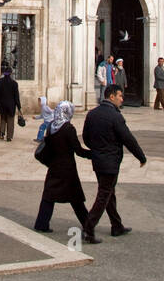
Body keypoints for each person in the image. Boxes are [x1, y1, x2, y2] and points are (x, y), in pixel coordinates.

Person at [81, 84, 147, 243]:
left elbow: (86, 137)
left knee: (109, 192)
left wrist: (97, 149)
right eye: (120, 96)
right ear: (111, 97)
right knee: (104, 195)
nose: (122, 99)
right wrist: (141, 157)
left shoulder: (92, 114)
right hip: (110, 162)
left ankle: (116, 225)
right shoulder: (115, 116)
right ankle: (88, 227)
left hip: (98, 161)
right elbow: (128, 138)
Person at [32, 101, 93, 233]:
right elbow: (78, 150)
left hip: (54, 166)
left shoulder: (51, 126)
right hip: (67, 168)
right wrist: (94, 155)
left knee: (49, 196)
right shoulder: (68, 129)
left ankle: (41, 223)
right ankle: (88, 224)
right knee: (76, 199)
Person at [0, 65, 22, 141]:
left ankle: (1, 134)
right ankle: (9, 136)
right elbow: (16, 96)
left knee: (3, 119)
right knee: (10, 120)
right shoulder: (14, 83)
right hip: (11, 105)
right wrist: (19, 107)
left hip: (2, 104)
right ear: (11, 73)